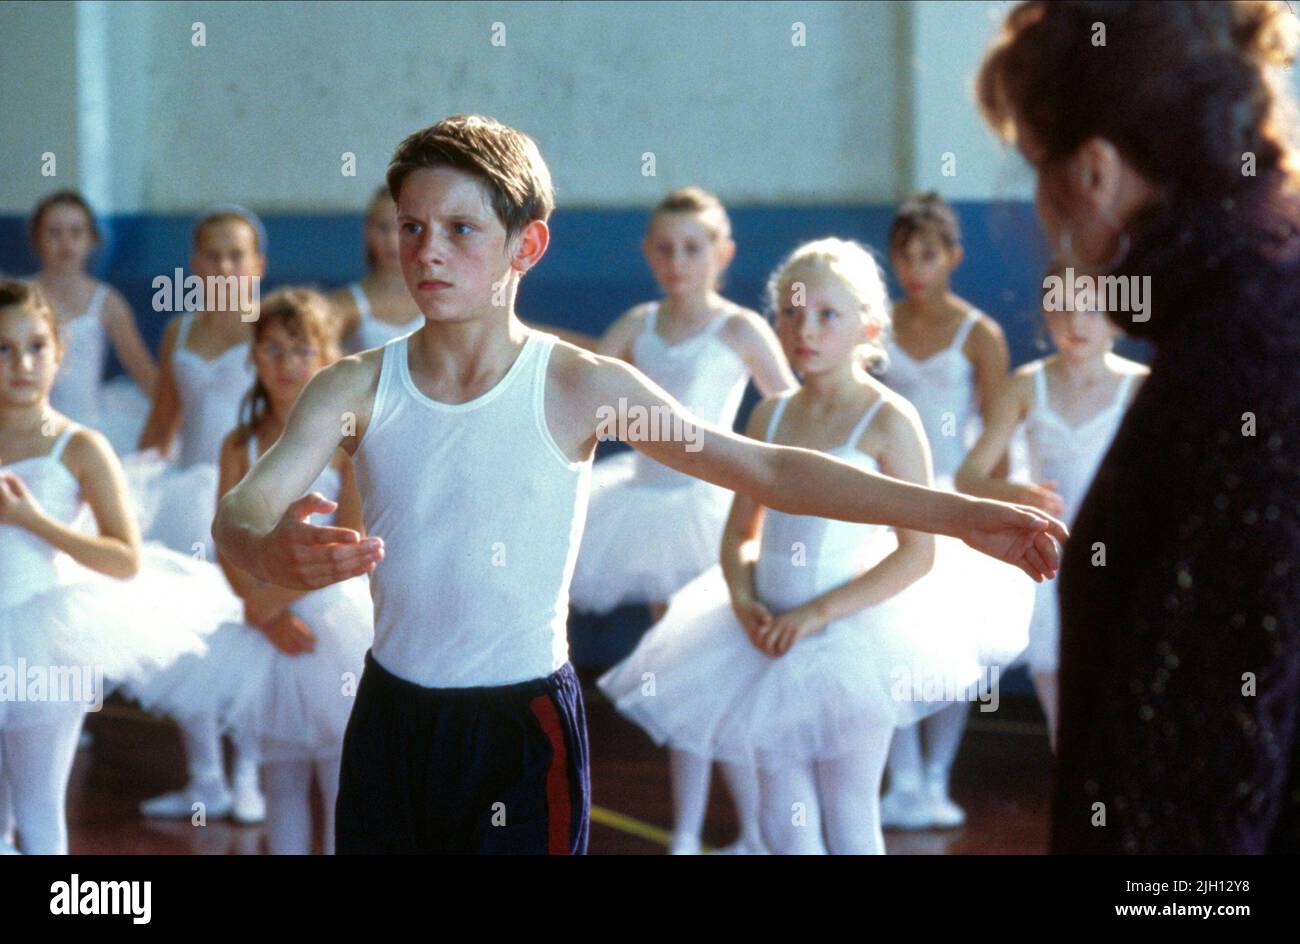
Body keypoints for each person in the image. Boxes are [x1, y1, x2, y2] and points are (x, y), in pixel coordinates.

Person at [212, 114, 1066, 855]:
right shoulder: (353, 385)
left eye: (460, 229)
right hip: (390, 723)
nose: (427, 251)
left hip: (523, 730)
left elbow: (764, 466)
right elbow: (243, 506)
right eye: (411, 227)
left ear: (528, 244)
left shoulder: (580, 386)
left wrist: (957, 516)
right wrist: (263, 547)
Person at [977, 0, 1300, 852]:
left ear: (1093, 172)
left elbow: (1188, 806)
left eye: (1032, 165)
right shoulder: (1252, 314)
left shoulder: (1235, 373)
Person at [601, 238, 1033, 854]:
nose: (805, 328)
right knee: (783, 820)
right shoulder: (770, 416)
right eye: (791, 312)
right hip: (765, 636)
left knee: (850, 812)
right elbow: (739, 537)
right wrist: (744, 594)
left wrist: (815, 614)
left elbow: (918, 553)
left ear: (869, 325)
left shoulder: (887, 419)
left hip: (848, 637)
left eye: (828, 314)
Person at [0, 280, 235, 853]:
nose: (22, 363)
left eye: (35, 346)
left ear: (60, 352)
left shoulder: (79, 446)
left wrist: (32, 520)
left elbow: (124, 558)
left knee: (38, 812)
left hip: (40, 636)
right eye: (3, 349)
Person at [956, 259, 1147, 750]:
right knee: (1057, 688)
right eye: (1061, 307)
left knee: (1120, 692)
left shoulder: (1140, 386)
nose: (1075, 321)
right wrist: (1014, 492)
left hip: (1121, 558)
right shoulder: (1026, 384)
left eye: (1090, 307)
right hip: (1052, 560)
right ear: (1046, 314)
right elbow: (968, 475)